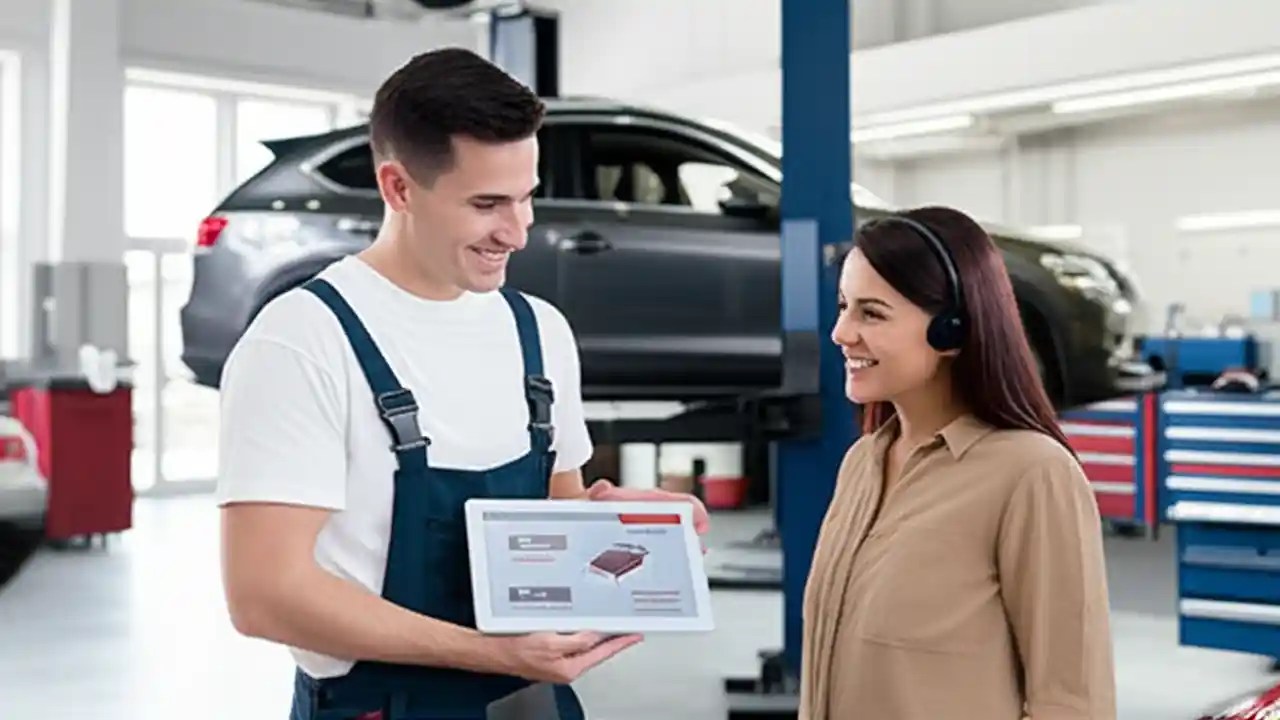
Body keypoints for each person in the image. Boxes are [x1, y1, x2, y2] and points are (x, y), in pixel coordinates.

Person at [215, 47, 708, 720]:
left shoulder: (539, 331)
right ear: (397, 188)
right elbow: (264, 595)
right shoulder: (303, 341)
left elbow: (552, 518)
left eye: (527, 197)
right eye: (487, 203)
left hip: (533, 702)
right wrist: (493, 652)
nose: (518, 231)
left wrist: (618, 522)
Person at [799, 207, 1117, 720]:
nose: (841, 332)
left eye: (871, 313)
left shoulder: (1031, 474)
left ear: (951, 330)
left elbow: (1072, 700)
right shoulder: (862, 462)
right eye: (843, 306)